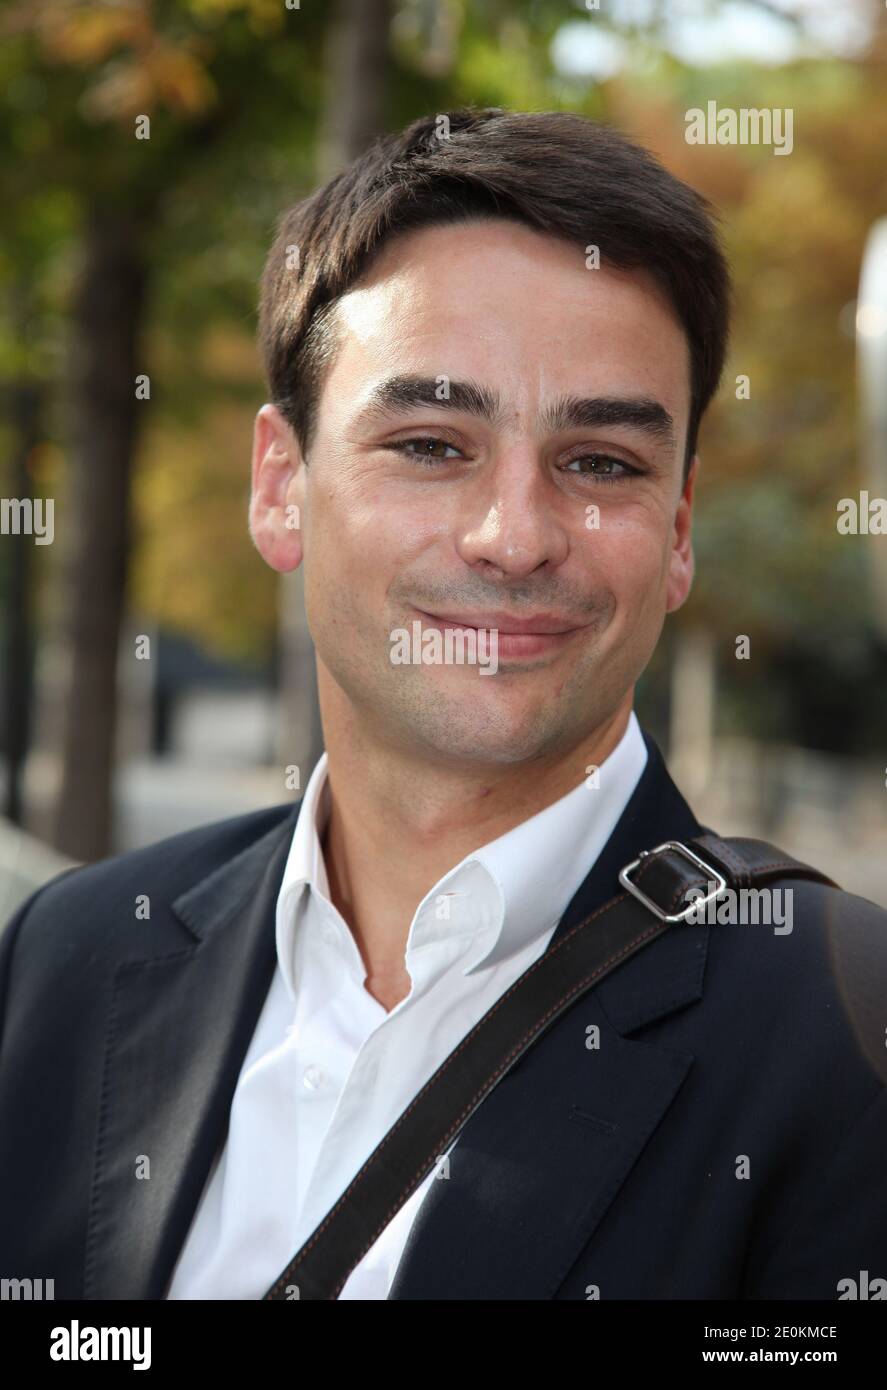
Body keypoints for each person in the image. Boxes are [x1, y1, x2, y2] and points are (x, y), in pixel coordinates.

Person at [1, 107, 886, 1302]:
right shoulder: (68, 956)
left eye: (602, 463)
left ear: (676, 537)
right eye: (428, 443)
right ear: (280, 488)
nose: (514, 537)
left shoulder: (845, 1033)